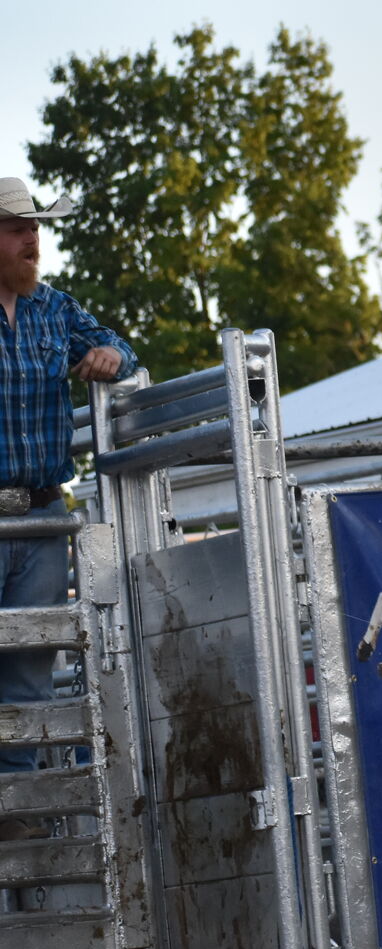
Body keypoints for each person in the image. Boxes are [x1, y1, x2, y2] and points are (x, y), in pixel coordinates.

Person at [0, 178, 135, 839]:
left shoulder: (56, 308)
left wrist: (111, 355)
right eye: (17, 229)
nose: (33, 238)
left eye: (34, 227)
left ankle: (17, 813)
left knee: (30, 668)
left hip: (43, 517)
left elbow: (122, 350)